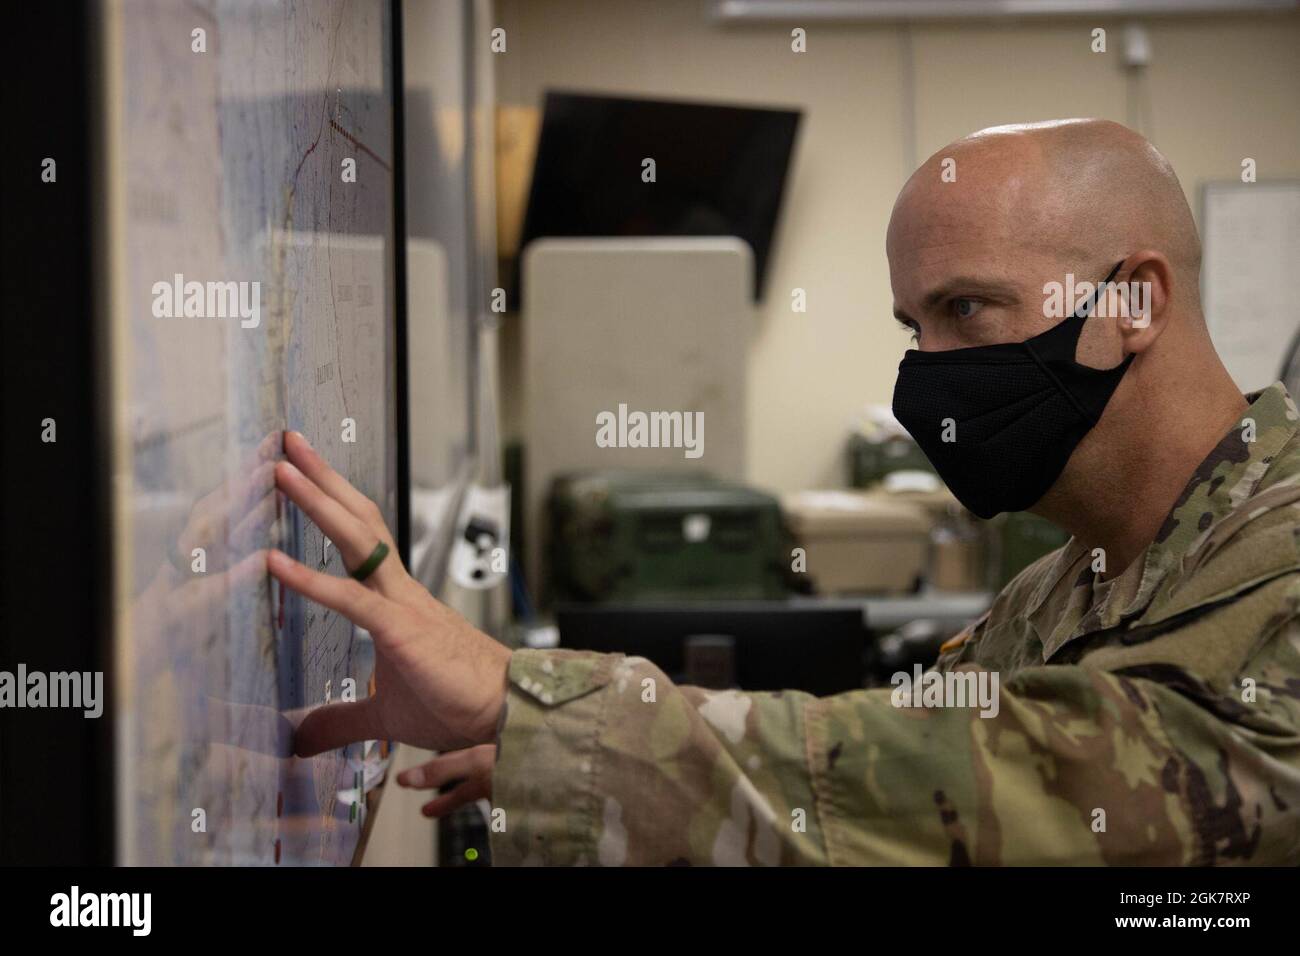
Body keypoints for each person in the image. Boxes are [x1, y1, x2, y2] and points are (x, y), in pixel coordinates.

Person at [267, 119, 1300, 866]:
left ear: (1134, 301)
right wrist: (549, 753)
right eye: (913, 326)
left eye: (967, 308)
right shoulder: (1058, 585)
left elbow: (1064, 787)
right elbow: (883, 784)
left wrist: (522, 700)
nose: (923, 375)